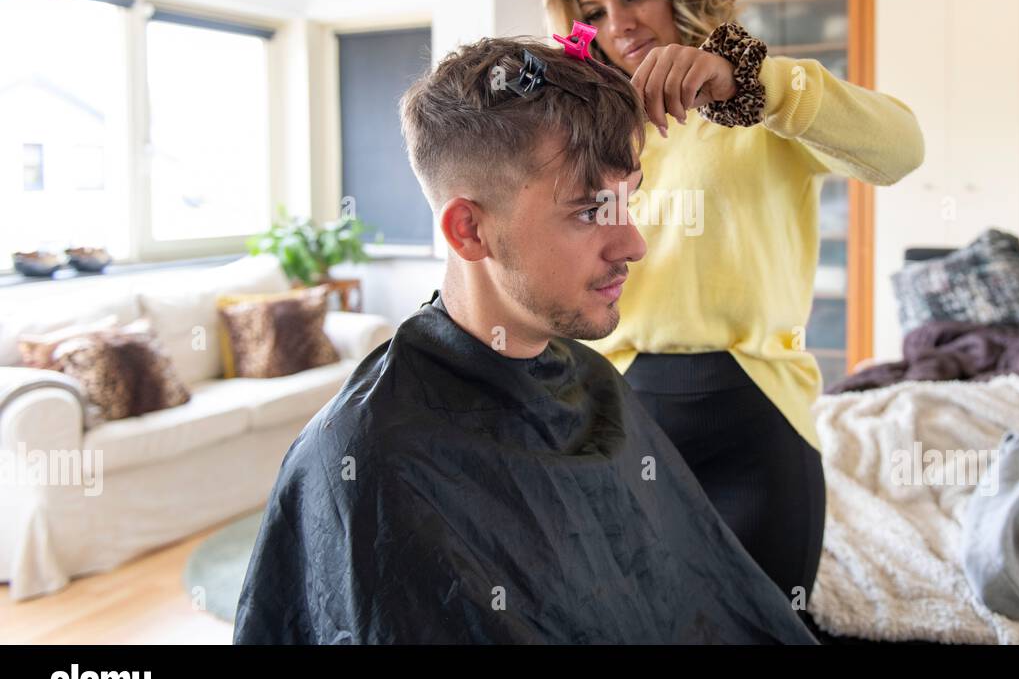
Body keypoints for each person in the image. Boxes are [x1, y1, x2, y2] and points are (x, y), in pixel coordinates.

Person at [232, 35, 818, 644]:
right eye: (591, 211)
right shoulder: (367, 455)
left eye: (629, 201)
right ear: (469, 230)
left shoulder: (593, 384)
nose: (634, 245)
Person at [539, 0, 926, 606]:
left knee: (763, 622)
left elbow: (903, 149)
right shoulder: (589, 134)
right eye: (592, 10)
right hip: (621, 412)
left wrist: (756, 85)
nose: (618, 23)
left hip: (757, 416)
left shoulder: (758, 104)